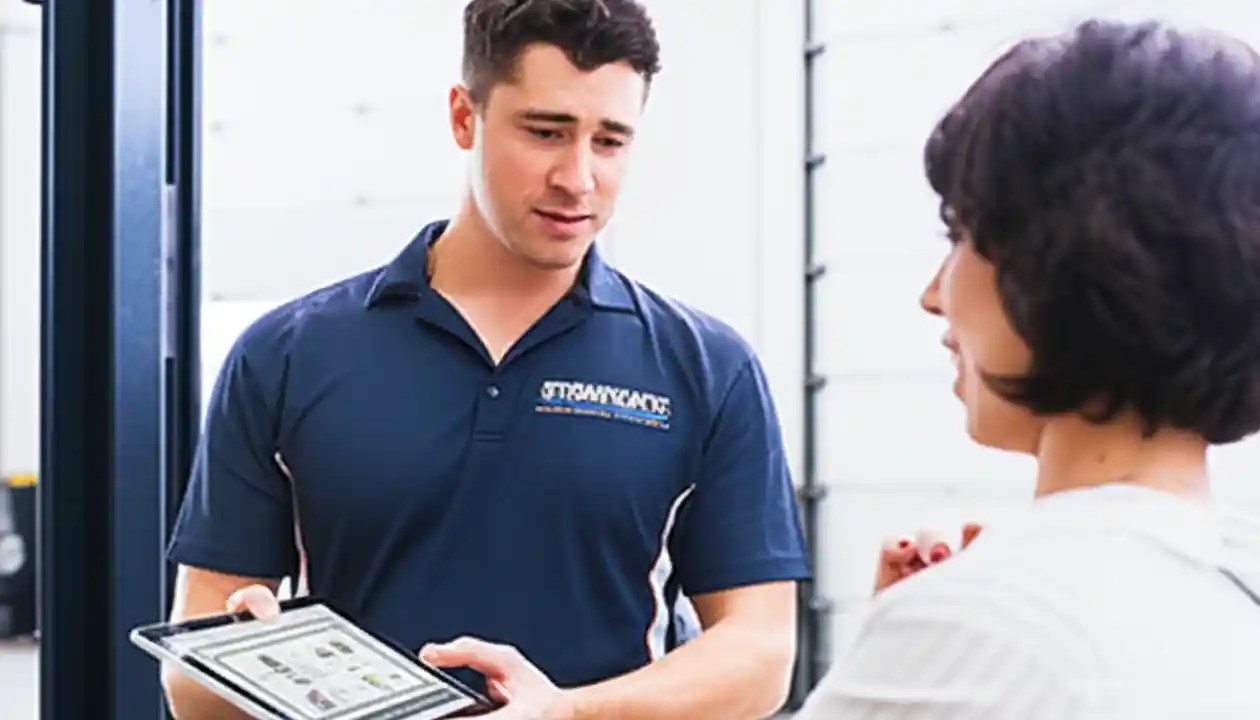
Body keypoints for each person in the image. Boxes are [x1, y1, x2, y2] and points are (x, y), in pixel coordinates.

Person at [160, 1, 810, 719]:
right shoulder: (285, 356)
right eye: (545, 132)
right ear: (464, 117)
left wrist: (565, 713)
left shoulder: (708, 369)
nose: (578, 177)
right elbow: (190, 684)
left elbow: (760, 655)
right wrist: (253, 676)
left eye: (611, 141)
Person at [788, 18, 1260, 719]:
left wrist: (923, 645)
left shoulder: (984, 618)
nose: (934, 295)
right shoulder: (1254, 591)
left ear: (1060, 267)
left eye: (959, 235)